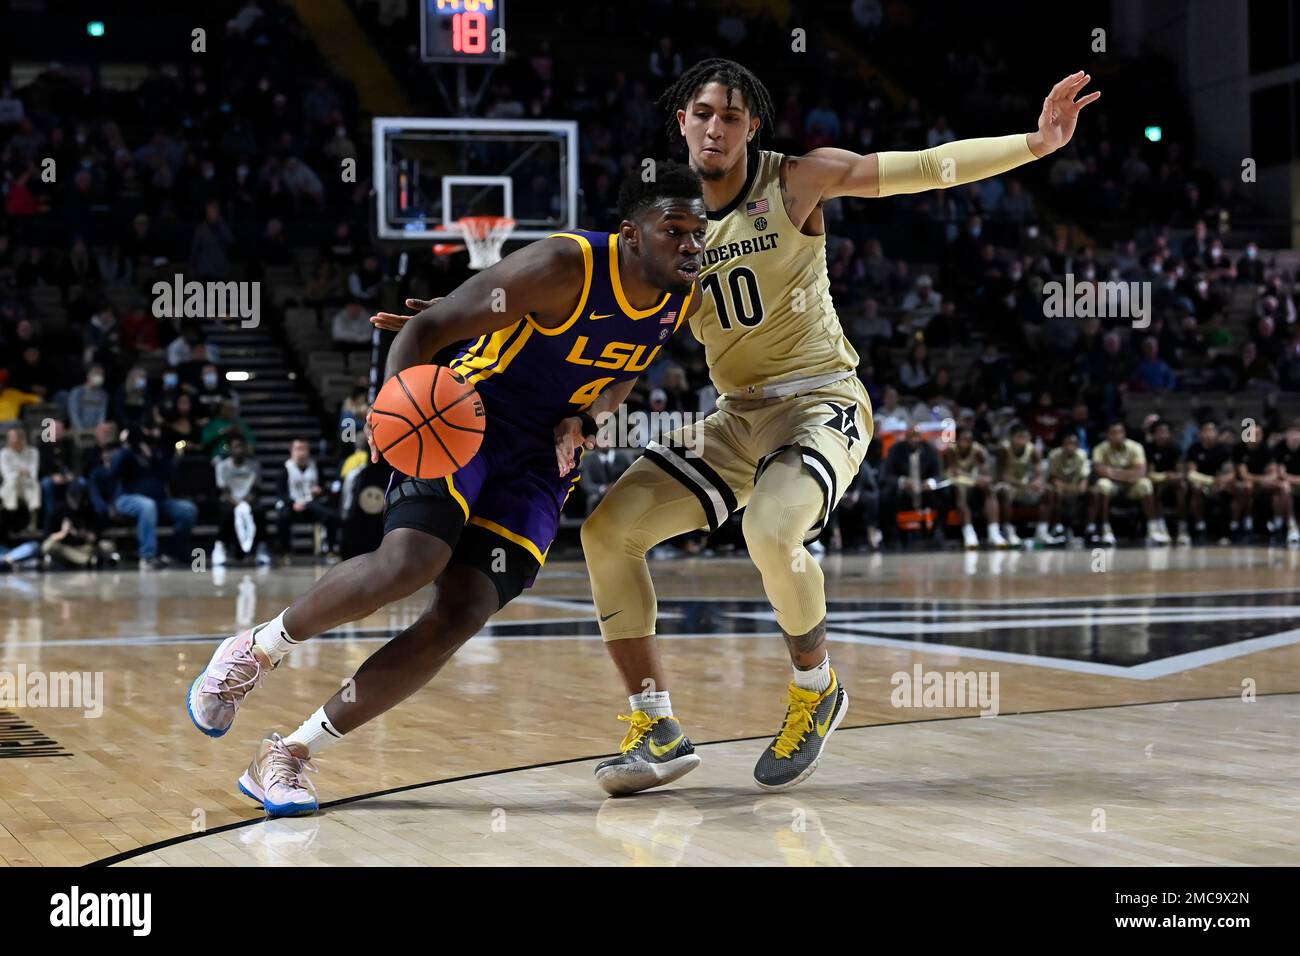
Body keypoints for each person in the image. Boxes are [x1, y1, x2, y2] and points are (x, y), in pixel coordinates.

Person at [582, 59, 1096, 794]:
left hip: (821, 401)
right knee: (607, 530)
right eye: (703, 113)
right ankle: (656, 726)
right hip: (736, 417)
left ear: (751, 126)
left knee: (769, 529)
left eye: (731, 115)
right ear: (682, 123)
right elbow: (622, 341)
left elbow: (926, 167)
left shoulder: (797, 180)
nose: (715, 127)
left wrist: (1036, 144)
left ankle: (814, 689)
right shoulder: (667, 222)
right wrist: (504, 360)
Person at [184, 163, 708, 817]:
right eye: (675, 231)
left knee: (462, 612)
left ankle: (288, 753)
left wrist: (589, 418)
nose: (691, 245)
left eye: (699, 231)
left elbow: (625, 372)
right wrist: (394, 408)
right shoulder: (561, 265)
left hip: (542, 460)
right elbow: (422, 332)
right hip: (465, 416)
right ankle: (256, 651)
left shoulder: (682, 295)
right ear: (632, 234)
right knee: (411, 561)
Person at [109, 425, 200, 568]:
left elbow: (169, 476)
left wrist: (155, 457)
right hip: (127, 499)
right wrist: (128, 448)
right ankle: (147, 556)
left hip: (159, 501)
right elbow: (113, 472)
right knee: (147, 505)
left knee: (188, 510)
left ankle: (175, 552)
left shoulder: (157, 453)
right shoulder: (126, 454)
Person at [1086, 420, 1167, 546]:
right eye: (1113, 433)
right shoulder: (1100, 448)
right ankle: (1106, 529)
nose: (1117, 436)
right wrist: (1128, 474)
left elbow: (1140, 472)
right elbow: (1100, 471)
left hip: (1131, 486)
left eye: (1119, 432)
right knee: (1102, 484)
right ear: (1108, 435)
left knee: (1145, 484)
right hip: (1112, 485)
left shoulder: (1136, 447)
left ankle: (1152, 529)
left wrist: (1112, 472)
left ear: (1124, 433)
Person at [275, 439, 339, 556]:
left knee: (331, 515)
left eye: (304, 449)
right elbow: (281, 493)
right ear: (291, 451)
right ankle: (284, 551)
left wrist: (320, 491)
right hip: (292, 504)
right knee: (282, 517)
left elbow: (323, 487)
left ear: (308, 450)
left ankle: (330, 549)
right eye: (298, 449)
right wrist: (293, 503)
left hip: (311, 503)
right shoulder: (285, 468)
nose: (301, 452)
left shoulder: (316, 466)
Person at [214, 436, 267, 566]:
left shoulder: (254, 465)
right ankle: (220, 547)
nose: (239, 450)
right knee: (225, 513)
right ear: (230, 449)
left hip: (249, 500)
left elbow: (256, 489)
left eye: (242, 446)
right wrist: (238, 504)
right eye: (236, 446)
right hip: (230, 500)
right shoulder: (222, 465)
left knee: (260, 511)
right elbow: (224, 491)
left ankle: (261, 549)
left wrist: (245, 502)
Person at [943, 426, 996, 549]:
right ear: (957, 439)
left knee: (989, 488)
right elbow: (955, 472)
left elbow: (986, 472)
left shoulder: (978, 450)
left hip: (972, 483)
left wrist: (983, 478)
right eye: (963, 438)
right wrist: (976, 479)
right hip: (953, 484)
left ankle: (994, 531)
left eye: (969, 439)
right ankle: (968, 531)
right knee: (961, 490)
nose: (966, 441)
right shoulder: (951, 450)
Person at [1184, 420, 1235, 543]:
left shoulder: (1224, 449)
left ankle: (1226, 532)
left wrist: (1221, 482)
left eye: (1211, 431)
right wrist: (1211, 481)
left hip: (1219, 485)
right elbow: (1191, 473)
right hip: (1203, 484)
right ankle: (1199, 525)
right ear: (1200, 433)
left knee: (1227, 490)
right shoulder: (1194, 449)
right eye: (1205, 431)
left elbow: (1231, 473)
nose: (1208, 434)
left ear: (1217, 433)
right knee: (1195, 488)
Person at [1145, 419, 1189, 546]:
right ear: (1153, 434)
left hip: (1174, 481)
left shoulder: (1176, 448)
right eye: (1159, 432)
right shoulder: (1148, 448)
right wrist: (1164, 476)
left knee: (1182, 487)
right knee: (1153, 488)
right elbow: (1149, 473)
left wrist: (1175, 477)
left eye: (1165, 432)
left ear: (1170, 434)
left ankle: (1182, 527)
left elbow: (1181, 472)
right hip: (1158, 481)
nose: (1162, 435)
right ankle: (1159, 527)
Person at [1045, 430, 1090, 539]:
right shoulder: (1054, 455)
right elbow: (1052, 478)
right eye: (1067, 443)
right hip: (1059, 488)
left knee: (1092, 493)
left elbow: (1084, 480)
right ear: (1063, 445)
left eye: (1073, 444)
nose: (1070, 447)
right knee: (1055, 492)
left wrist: (1078, 487)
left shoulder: (1082, 455)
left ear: (1077, 445)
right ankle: (1057, 527)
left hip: (1075, 489)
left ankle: (1089, 529)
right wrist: (1065, 487)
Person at [0, 427, 40, 530]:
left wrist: (19, 473)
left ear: (22, 439)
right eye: (10, 437)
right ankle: (10, 516)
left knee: (34, 485)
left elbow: (33, 473)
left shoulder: (33, 452)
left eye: (13, 437)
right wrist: (20, 472)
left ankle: (33, 521)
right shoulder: (4, 453)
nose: (11, 440)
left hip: (27, 483)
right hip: (12, 485)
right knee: (11, 485)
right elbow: (6, 475)